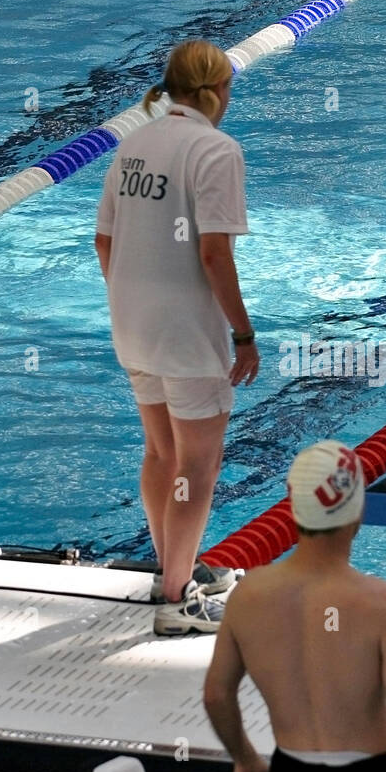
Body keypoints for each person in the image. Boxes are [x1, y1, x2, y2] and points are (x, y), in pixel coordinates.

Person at [94, 39, 258, 636]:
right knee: (198, 462)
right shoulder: (215, 149)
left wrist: (133, 299)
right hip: (187, 332)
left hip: (131, 323)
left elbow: (104, 243)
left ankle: (175, 573)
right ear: (216, 91)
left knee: (162, 453)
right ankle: (175, 600)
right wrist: (243, 334)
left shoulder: (133, 142)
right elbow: (215, 254)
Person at [203, 440, 386, 772]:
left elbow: (218, 695)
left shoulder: (249, 594)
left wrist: (245, 759)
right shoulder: (377, 601)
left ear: (293, 507)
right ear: (357, 511)